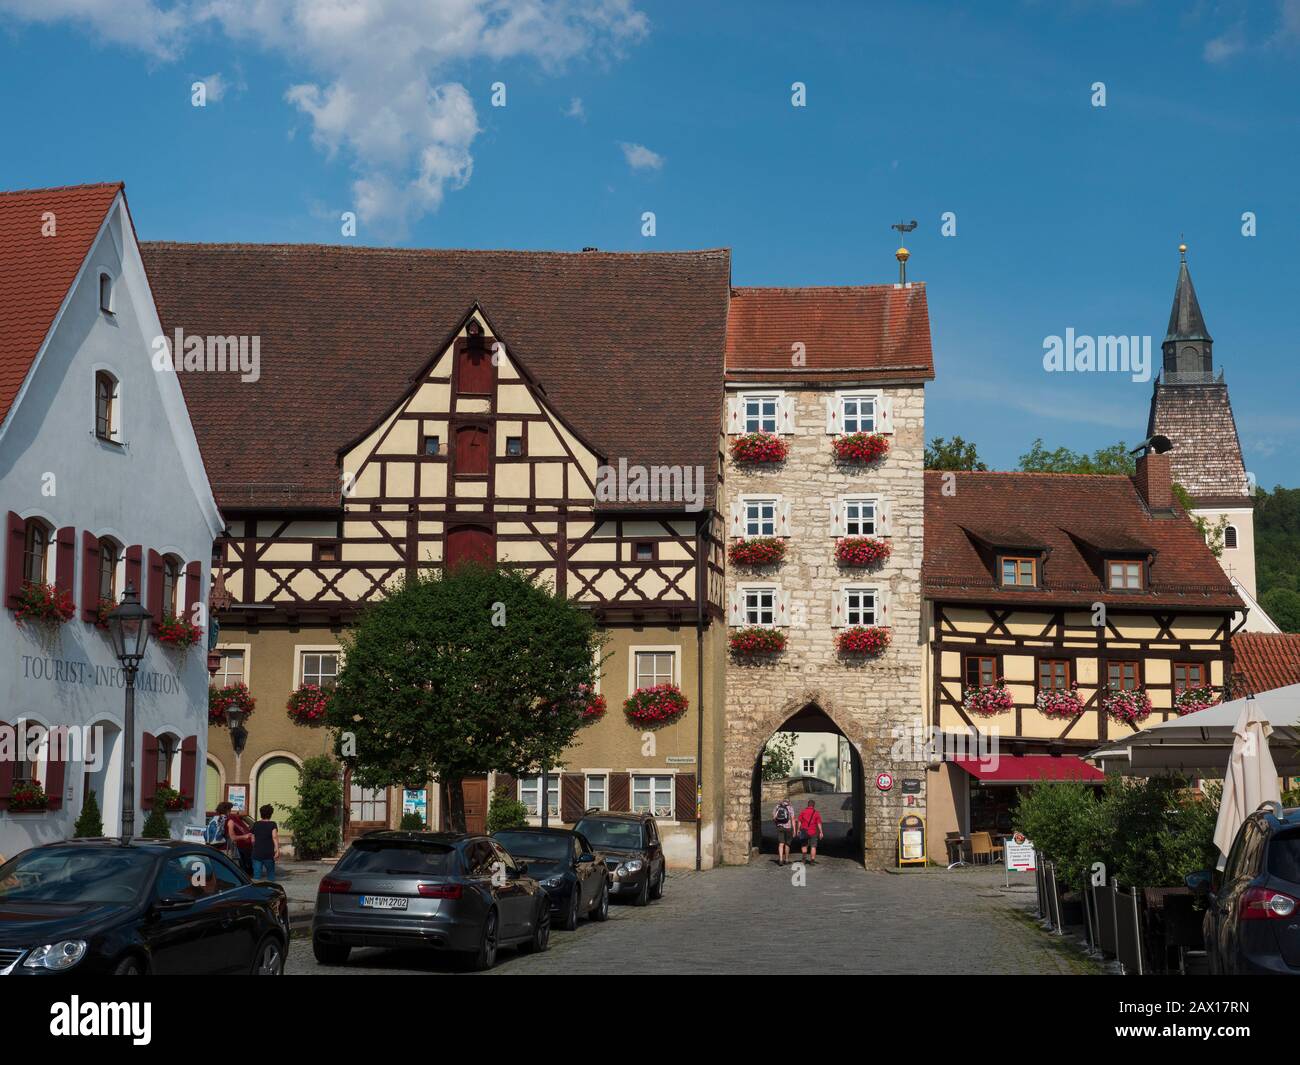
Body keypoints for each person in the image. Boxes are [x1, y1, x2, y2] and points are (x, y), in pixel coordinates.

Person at [251, 804, 280, 881]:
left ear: (261, 814)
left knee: (256, 876)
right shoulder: (273, 824)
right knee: (270, 875)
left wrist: (255, 847)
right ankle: (271, 890)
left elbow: (253, 839)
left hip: (257, 853)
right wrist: (277, 850)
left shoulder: (256, 824)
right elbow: (274, 837)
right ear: (271, 814)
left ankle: (256, 891)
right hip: (268, 853)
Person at [226, 804, 255, 876]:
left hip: (246, 846)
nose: (243, 810)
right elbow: (232, 837)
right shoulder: (231, 820)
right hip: (239, 847)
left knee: (248, 868)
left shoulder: (238, 819)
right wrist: (245, 836)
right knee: (244, 870)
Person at [796, 799, 823, 865]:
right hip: (813, 831)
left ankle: (804, 859)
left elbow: (799, 821)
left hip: (804, 830)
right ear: (814, 805)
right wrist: (821, 832)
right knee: (813, 846)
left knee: (804, 845)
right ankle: (812, 860)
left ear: (808, 805)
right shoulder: (816, 813)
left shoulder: (803, 811)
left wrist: (798, 829)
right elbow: (819, 823)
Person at [773, 797, 795, 866]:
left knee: (781, 843)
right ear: (789, 802)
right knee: (787, 844)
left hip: (780, 827)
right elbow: (793, 819)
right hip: (788, 828)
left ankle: (781, 859)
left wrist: (777, 824)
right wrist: (794, 829)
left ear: (783, 801)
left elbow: (774, 817)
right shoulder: (790, 808)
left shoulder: (777, 806)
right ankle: (787, 859)